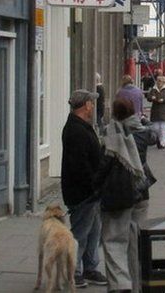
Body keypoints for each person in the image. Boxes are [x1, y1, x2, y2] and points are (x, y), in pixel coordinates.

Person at [98, 96, 158, 293]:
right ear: (133, 112)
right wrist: (144, 120)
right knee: (136, 242)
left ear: (114, 113)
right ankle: (138, 284)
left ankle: (120, 285)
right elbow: (155, 136)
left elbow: (103, 166)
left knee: (114, 239)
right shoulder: (143, 133)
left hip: (119, 194)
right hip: (141, 191)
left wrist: (95, 186)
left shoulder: (110, 134)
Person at [60, 89, 108, 288]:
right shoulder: (76, 130)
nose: (93, 106)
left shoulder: (82, 126)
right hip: (83, 192)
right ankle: (74, 271)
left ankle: (90, 267)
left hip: (92, 192)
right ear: (86, 105)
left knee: (94, 231)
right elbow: (80, 165)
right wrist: (93, 185)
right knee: (80, 232)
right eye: (91, 102)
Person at [147, 76, 165, 148]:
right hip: (155, 110)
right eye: (157, 80)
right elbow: (148, 97)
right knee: (155, 127)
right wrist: (152, 97)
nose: (158, 82)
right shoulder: (154, 89)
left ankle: (162, 143)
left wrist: (163, 100)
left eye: (159, 81)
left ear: (163, 82)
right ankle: (159, 139)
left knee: (163, 127)